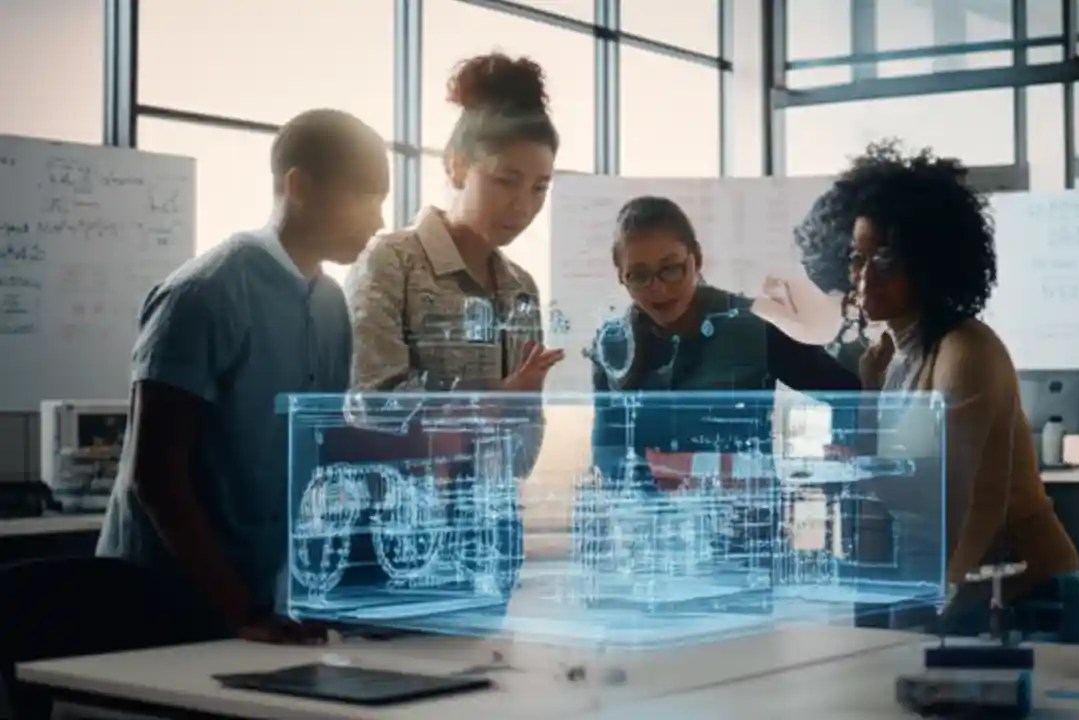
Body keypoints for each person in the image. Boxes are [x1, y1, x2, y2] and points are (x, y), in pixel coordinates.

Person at [96, 109, 390, 644]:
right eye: (367, 198)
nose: (379, 221)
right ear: (299, 187)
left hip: (256, 598)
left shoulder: (331, 305)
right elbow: (156, 477)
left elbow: (319, 452)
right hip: (161, 599)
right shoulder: (204, 293)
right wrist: (241, 613)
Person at [786, 139, 1079, 644]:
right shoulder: (883, 356)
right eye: (857, 259)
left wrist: (933, 608)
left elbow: (961, 498)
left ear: (928, 262)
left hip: (1023, 596)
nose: (865, 278)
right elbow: (893, 489)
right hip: (943, 585)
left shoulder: (966, 350)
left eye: (886, 259)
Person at [344, 53, 564, 604]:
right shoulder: (392, 261)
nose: (523, 205)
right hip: (395, 537)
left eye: (540, 187)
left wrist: (507, 411)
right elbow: (372, 405)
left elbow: (523, 453)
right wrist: (497, 401)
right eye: (507, 180)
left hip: (489, 544)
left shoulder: (520, 288)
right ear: (457, 166)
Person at [590, 195, 861, 487]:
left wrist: (840, 462)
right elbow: (608, 458)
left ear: (696, 259)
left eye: (671, 268)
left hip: (742, 509)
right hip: (647, 512)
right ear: (621, 276)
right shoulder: (612, 345)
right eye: (639, 275)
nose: (658, 288)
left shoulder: (753, 325)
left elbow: (847, 391)